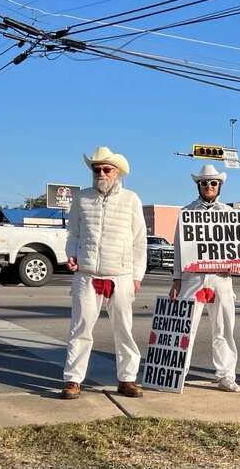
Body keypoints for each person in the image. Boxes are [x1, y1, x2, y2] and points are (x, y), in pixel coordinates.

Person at [61, 146, 147, 400]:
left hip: (120, 274)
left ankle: (127, 379)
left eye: (106, 169)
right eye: (96, 169)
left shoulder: (131, 199)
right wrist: (71, 255)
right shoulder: (82, 198)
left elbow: (139, 241)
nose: (101, 173)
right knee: (81, 327)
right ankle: (73, 380)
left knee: (124, 329)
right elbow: (73, 233)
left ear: (117, 172)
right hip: (87, 274)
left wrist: (136, 277)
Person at [169, 164, 240, 393]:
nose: (209, 186)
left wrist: (238, 264)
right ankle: (176, 373)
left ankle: (226, 375)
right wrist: (176, 280)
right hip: (193, 278)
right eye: (204, 183)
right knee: (185, 327)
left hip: (221, 278)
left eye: (213, 182)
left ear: (219, 186)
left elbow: (237, 247)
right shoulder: (186, 213)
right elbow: (179, 248)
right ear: (198, 186)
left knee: (223, 328)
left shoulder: (229, 214)